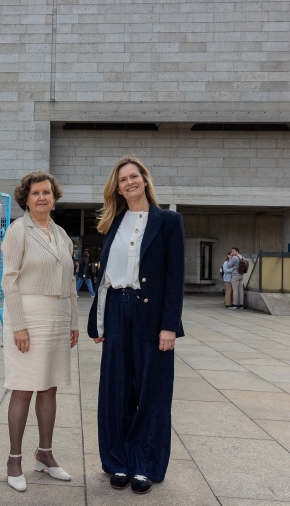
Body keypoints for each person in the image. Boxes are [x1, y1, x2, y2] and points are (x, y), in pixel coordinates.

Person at [87, 155, 185, 495]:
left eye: (134, 176)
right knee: (116, 390)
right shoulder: (113, 223)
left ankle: (146, 463)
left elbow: (174, 278)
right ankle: (118, 460)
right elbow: (104, 278)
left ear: (144, 179)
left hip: (151, 314)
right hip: (116, 309)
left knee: (153, 390)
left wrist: (169, 325)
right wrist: (99, 321)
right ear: (117, 188)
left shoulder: (169, 221)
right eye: (122, 179)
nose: (129, 182)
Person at [1, 170, 79, 492]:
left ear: (54, 197)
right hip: (28, 320)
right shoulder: (18, 231)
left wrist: (73, 321)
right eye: (36, 193)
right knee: (23, 388)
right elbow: (9, 279)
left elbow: (71, 282)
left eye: (47, 192)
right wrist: (18, 324)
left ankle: (44, 454)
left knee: (50, 388)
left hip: (58, 318)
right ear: (26, 198)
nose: (42, 197)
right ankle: (14, 460)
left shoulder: (61, 234)